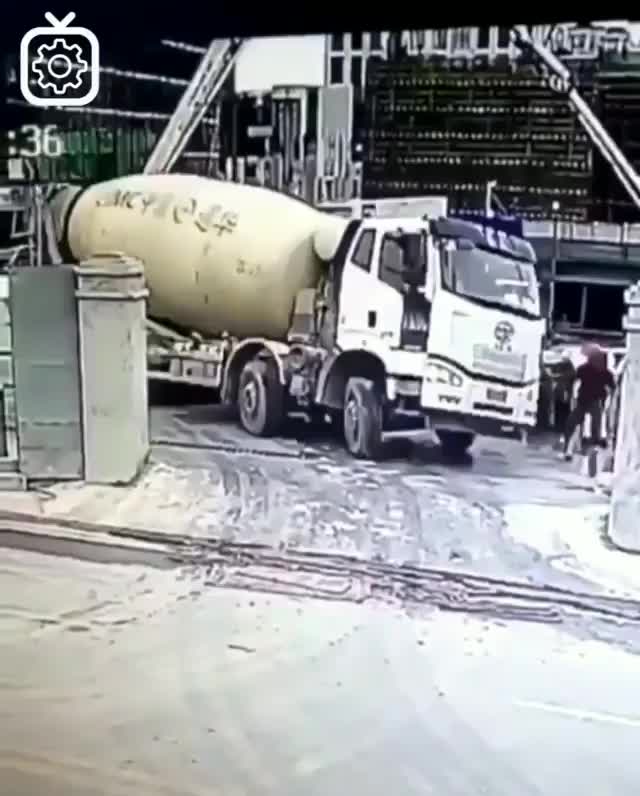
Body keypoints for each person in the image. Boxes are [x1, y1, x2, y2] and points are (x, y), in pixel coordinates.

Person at [562, 344, 615, 460]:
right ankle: (575, 448)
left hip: (589, 401)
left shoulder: (593, 370)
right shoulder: (595, 370)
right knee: (585, 424)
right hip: (588, 401)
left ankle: (576, 448)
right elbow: (613, 387)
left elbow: (573, 380)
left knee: (577, 424)